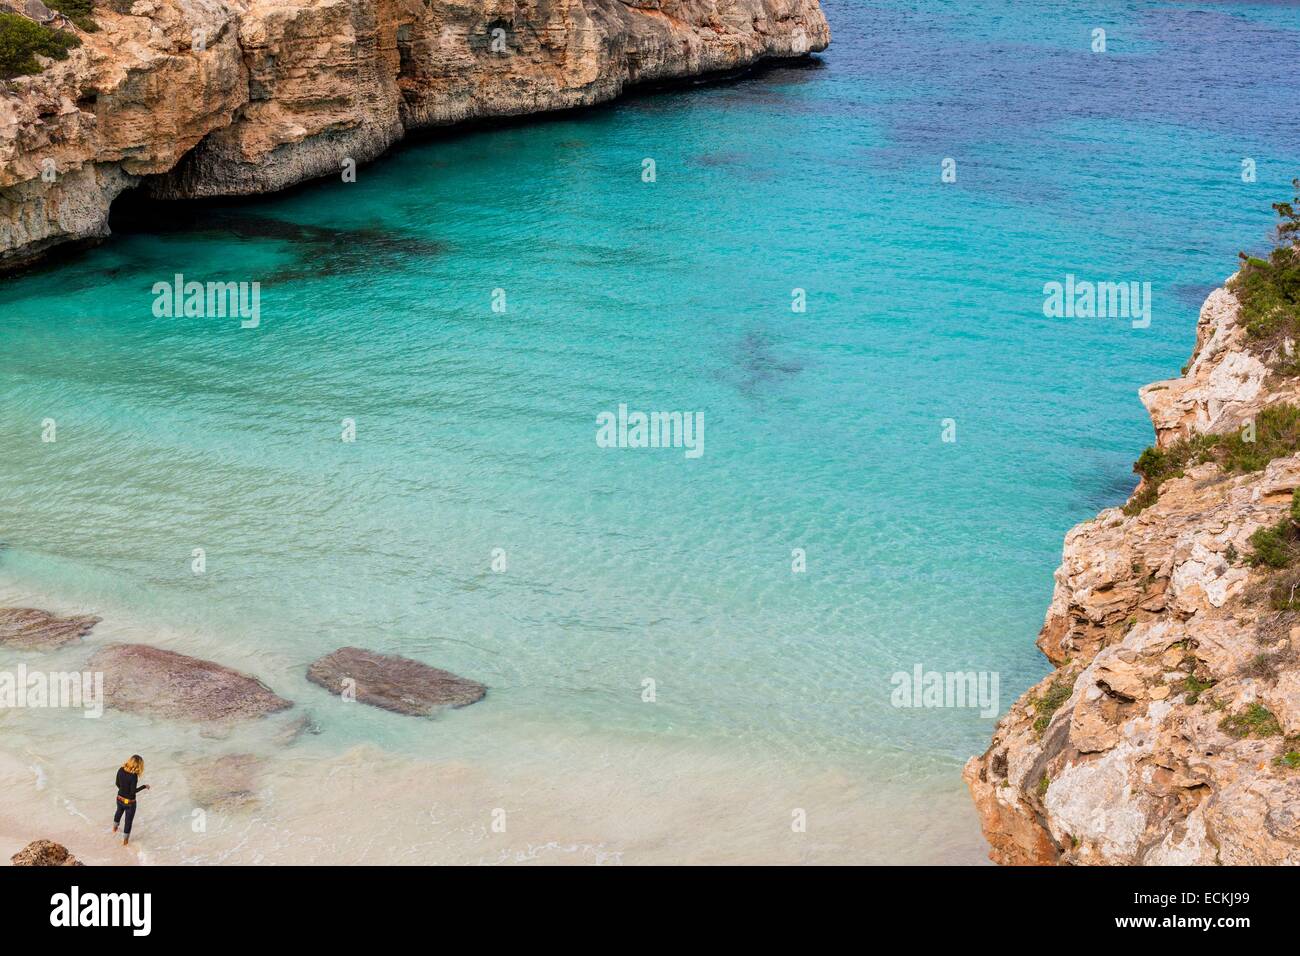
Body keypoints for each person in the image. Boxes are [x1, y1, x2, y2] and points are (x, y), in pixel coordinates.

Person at [112, 755, 149, 846]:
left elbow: (117, 783)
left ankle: (114, 829)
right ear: (138, 765)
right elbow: (133, 792)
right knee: (128, 821)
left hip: (119, 798)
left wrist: (123, 791)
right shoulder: (133, 776)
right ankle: (125, 842)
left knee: (118, 812)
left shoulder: (121, 769)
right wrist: (144, 786)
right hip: (130, 803)